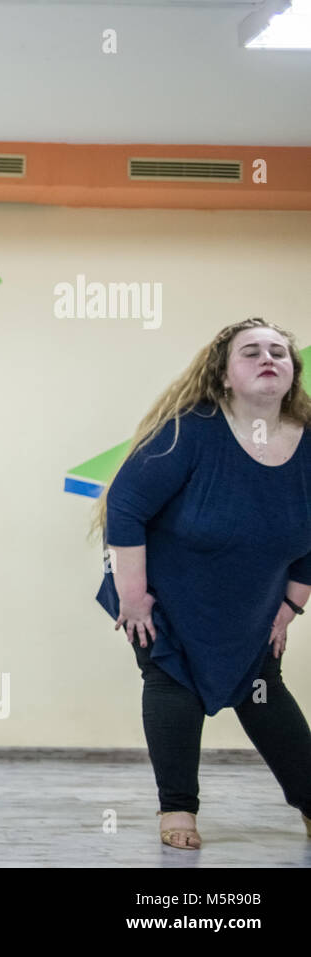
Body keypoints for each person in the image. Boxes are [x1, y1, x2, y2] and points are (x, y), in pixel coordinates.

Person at [92, 317, 311, 849]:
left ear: (293, 373)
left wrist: (289, 605)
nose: (268, 359)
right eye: (251, 352)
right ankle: (178, 811)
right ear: (224, 375)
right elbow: (124, 506)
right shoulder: (190, 430)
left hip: (251, 603)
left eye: (279, 353)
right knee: (173, 683)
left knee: (262, 695)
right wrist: (135, 598)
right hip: (162, 594)